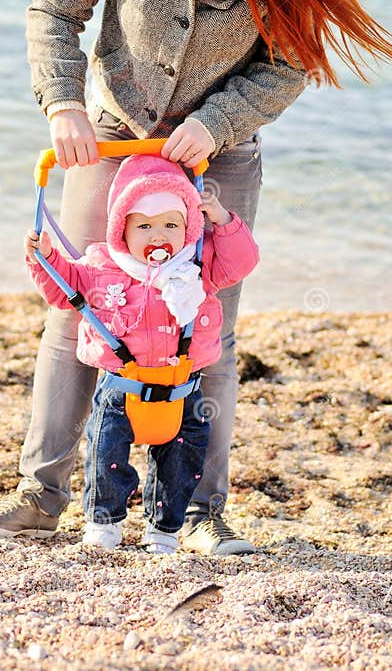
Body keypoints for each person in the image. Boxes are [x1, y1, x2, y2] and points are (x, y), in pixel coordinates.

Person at [0, 0, 392, 553]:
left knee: (210, 334)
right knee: (81, 312)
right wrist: (62, 104)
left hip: (219, 152)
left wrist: (217, 122)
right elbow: (53, 11)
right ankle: (41, 495)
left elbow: (291, 65)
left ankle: (202, 512)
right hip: (113, 132)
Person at [22, 153, 259, 553]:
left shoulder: (198, 265)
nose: (158, 235)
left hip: (183, 392)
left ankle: (164, 532)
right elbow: (64, 288)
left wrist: (223, 221)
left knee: (179, 465)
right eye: (144, 225)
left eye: (170, 224)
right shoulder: (103, 265)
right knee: (106, 459)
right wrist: (42, 253)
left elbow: (243, 262)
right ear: (121, 228)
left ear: (187, 226)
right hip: (121, 391)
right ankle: (104, 524)